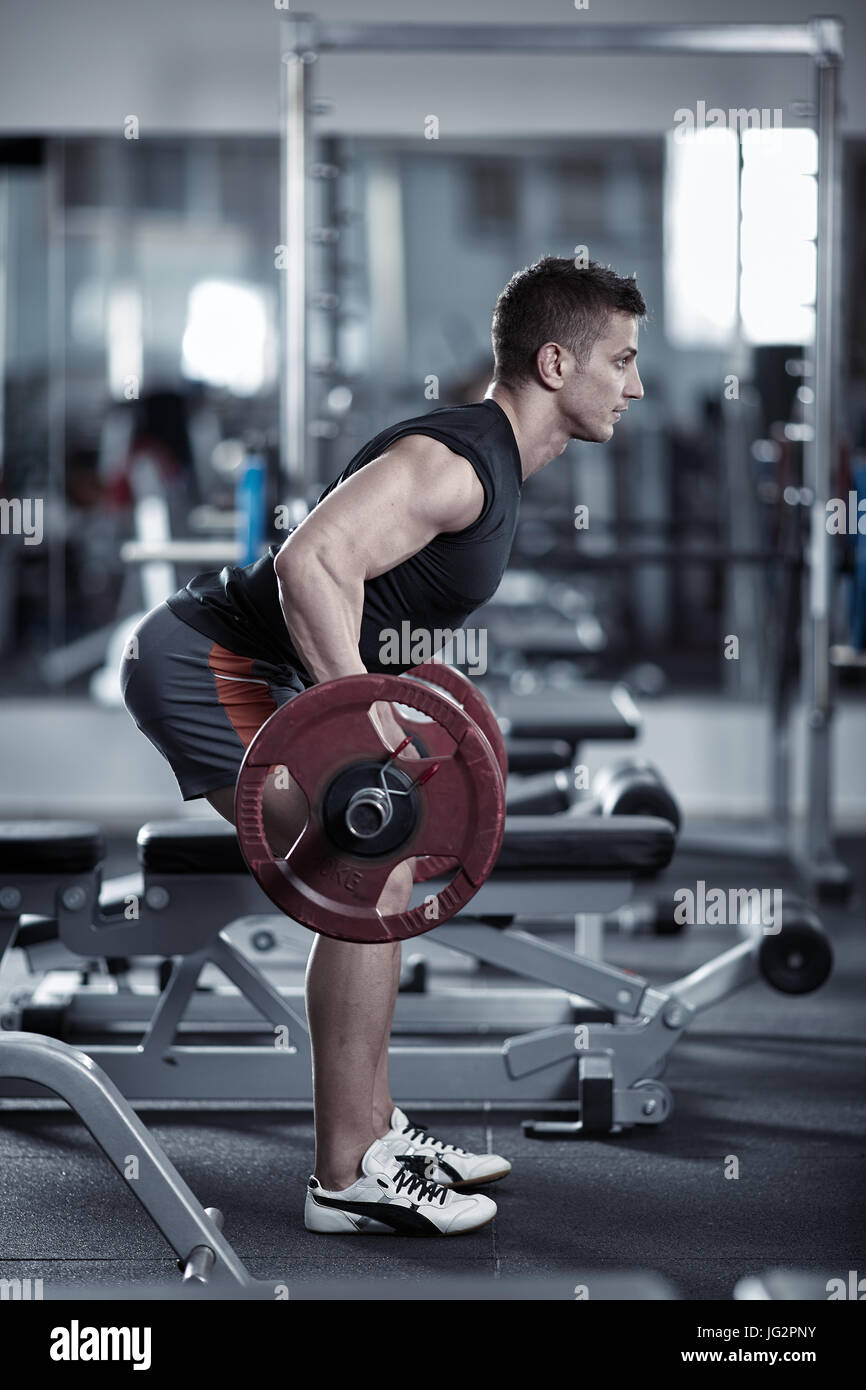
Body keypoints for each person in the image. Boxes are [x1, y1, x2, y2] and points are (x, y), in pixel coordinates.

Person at [120, 255, 645, 1236]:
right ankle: (342, 1173)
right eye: (618, 360)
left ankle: (371, 1131)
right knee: (366, 861)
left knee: (386, 864)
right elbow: (312, 562)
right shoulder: (457, 462)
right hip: (205, 665)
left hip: (251, 670)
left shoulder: (500, 460)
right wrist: (355, 715)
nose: (635, 383)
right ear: (552, 361)